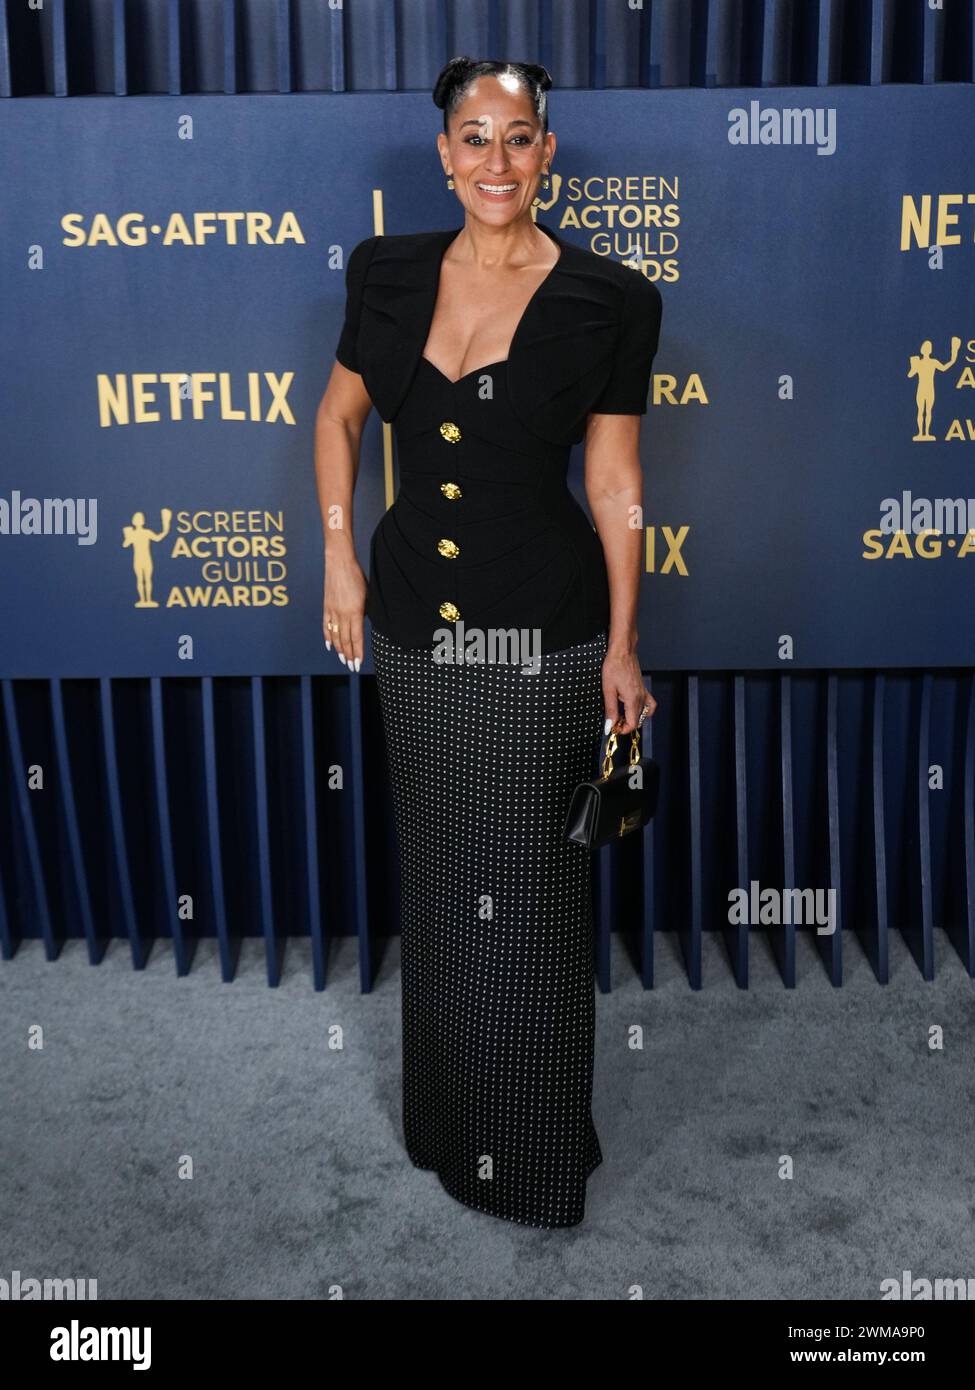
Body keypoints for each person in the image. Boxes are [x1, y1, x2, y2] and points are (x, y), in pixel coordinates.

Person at [313, 56, 663, 1228]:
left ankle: (531, 1153)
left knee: (532, 898)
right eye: (475, 137)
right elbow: (340, 414)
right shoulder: (388, 272)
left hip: (543, 640)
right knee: (444, 876)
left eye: (520, 139)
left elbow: (615, 481)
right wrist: (340, 555)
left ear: (548, 154)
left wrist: (621, 644)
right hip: (415, 629)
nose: (496, 162)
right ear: (443, 153)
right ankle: (446, 1126)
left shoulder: (610, 298)